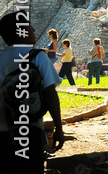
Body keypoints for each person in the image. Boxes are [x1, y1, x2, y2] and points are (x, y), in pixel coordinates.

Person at [0, 11, 65, 172]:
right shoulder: (38, 57)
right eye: (29, 26)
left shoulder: (1, 59)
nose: (33, 30)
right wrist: (59, 128)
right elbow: (50, 93)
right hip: (30, 130)